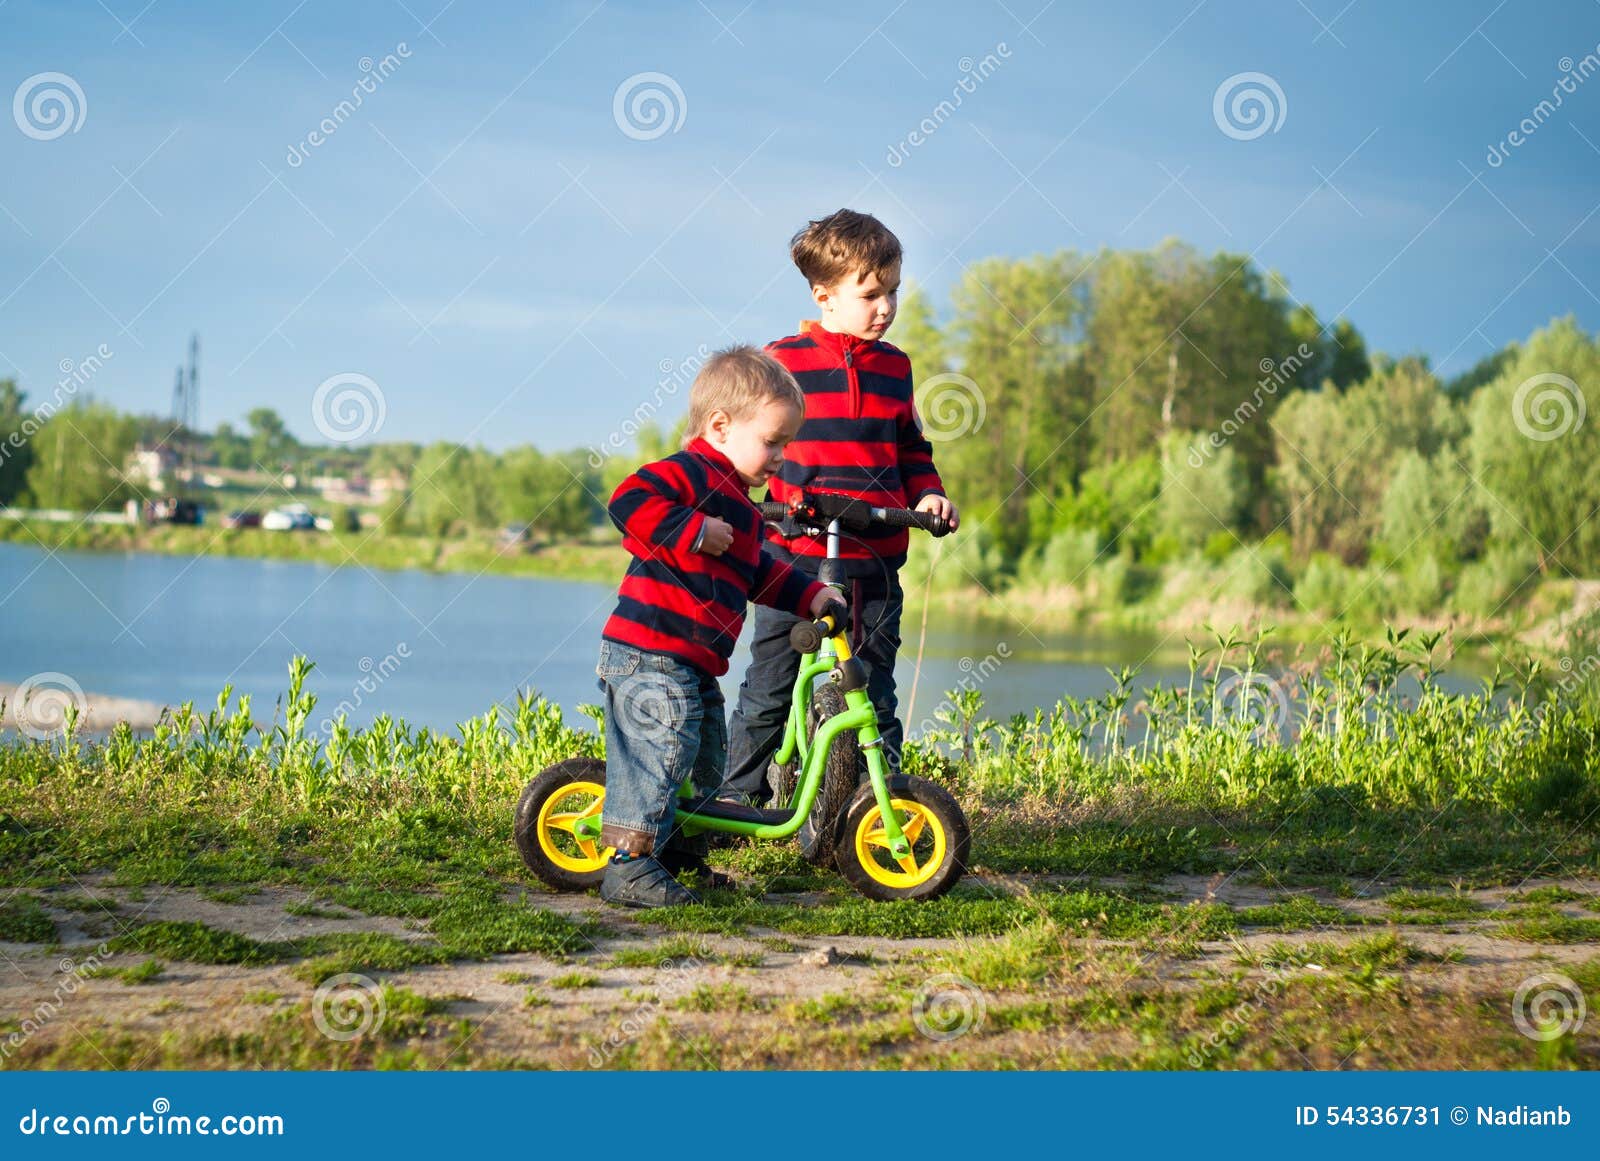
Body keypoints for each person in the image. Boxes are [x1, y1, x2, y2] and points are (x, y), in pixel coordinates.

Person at [723, 209, 960, 805]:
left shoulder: (896, 368)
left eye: (893, 292)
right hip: (792, 561)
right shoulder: (781, 362)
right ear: (824, 296)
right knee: (771, 686)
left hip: (873, 563)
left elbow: (911, 449)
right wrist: (747, 493)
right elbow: (754, 443)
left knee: (873, 691)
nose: (886, 307)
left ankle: (877, 806)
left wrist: (928, 492)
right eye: (871, 295)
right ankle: (736, 797)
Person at [596, 344, 841, 908]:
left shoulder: (744, 510)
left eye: (786, 444)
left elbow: (760, 574)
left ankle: (677, 856)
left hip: (693, 663)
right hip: (649, 650)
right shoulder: (688, 475)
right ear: (721, 426)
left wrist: (812, 594)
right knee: (663, 748)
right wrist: (692, 529)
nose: (780, 456)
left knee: (703, 762)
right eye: (772, 441)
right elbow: (627, 501)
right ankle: (629, 865)